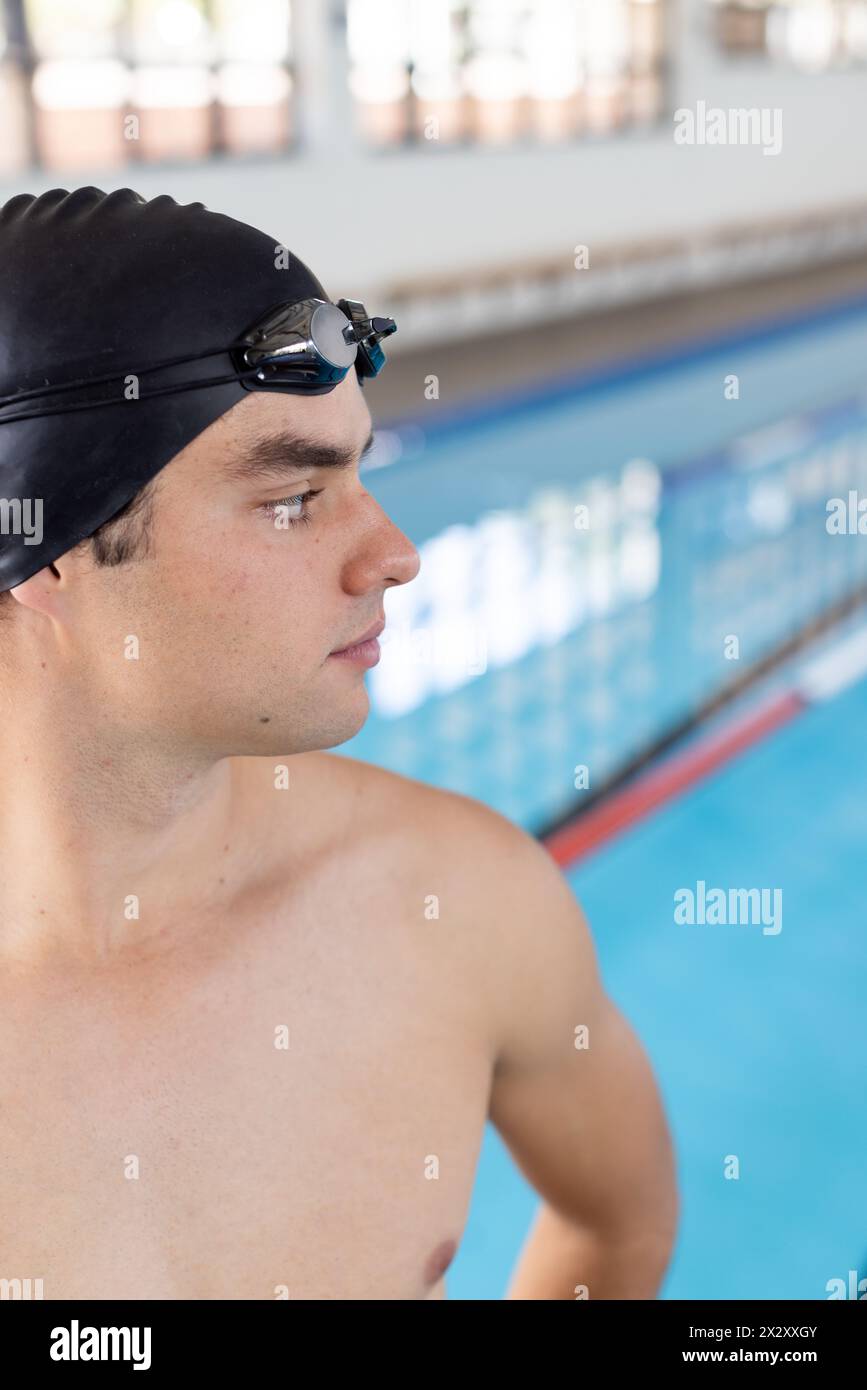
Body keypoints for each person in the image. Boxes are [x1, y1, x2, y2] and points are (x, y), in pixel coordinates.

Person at [0, 187, 677, 1300]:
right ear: (48, 551)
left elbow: (620, 1227)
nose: (396, 554)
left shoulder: (465, 898)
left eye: (361, 472)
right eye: (293, 499)